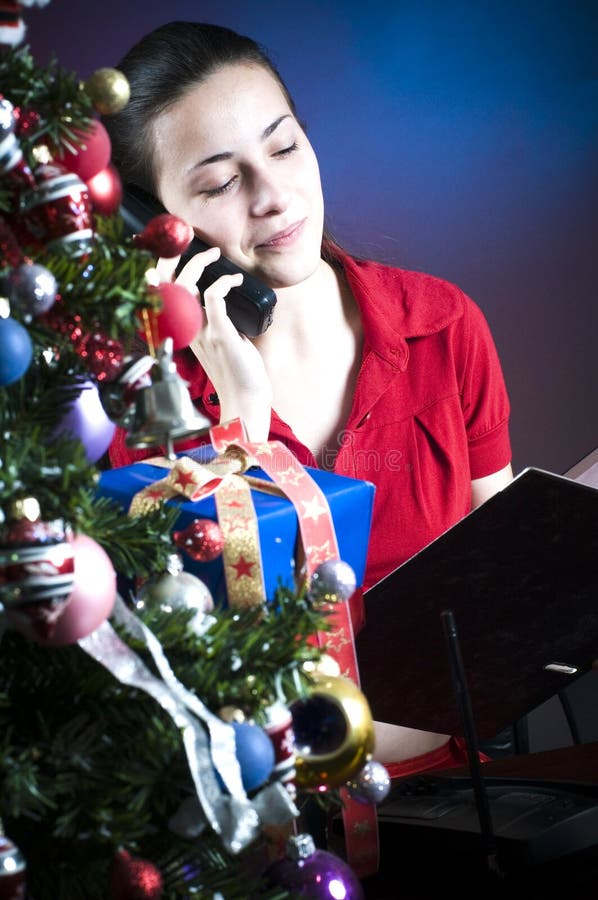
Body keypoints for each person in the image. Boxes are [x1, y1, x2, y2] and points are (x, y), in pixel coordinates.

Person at [105, 21, 513, 778]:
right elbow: (214, 693)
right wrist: (241, 415)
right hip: (257, 837)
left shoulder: (444, 326)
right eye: (221, 182)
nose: (272, 195)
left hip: (464, 798)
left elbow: (505, 593)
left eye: (284, 146)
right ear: (159, 225)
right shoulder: (140, 408)